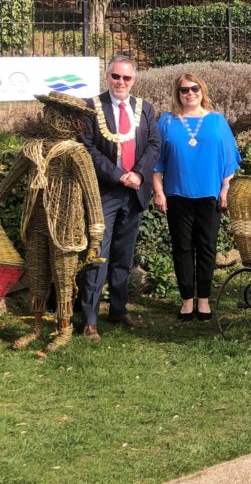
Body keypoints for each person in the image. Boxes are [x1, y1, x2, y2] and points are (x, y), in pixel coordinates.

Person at [0, 91, 106, 354]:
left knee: (64, 278)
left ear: (73, 121)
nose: (53, 119)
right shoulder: (32, 149)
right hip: (35, 225)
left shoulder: (76, 153)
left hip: (66, 228)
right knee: (37, 275)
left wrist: (96, 235)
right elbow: (7, 183)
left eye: (61, 115)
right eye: (50, 112)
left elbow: (92, 197)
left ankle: (64, 328)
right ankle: (36, 327)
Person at [79, 56, 160, 341]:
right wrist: (116, 174)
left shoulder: (145, 108)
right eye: (116, 77)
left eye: (126, 78)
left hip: (136, 191)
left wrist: (138, 174)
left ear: (133, 80)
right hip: (106, 190)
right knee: (98, 254)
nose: (121, 83)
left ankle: (118, 308)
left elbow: (153, 144)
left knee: (124, 255)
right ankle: (89, 319)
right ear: (108, 76)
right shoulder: (91, 107)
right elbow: (87, 146)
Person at [152, 73, 241, 321]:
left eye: (194, 88)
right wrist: (158, 193)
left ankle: (203, 300)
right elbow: (156, 163)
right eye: (184, 90)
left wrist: (225, 189)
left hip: (209, 196)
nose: (190, 93)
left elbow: (229, 159)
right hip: (177, 195)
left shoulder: (217, 121)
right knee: (181, 248)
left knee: (206, 248)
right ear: (177, 94)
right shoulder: (166, 122)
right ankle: (186, 300)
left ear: (202, 91)